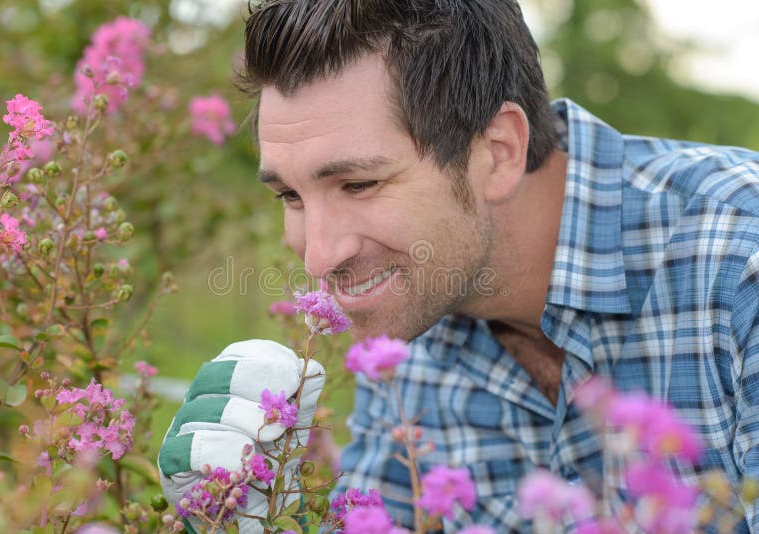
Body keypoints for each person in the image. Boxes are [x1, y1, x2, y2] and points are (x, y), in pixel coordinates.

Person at [158, 0, 759, 531]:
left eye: (360, 184)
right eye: (290, 196)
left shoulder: (737, 267)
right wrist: (256, 522)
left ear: (498, 153)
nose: (318, 257)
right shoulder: (407, 326)